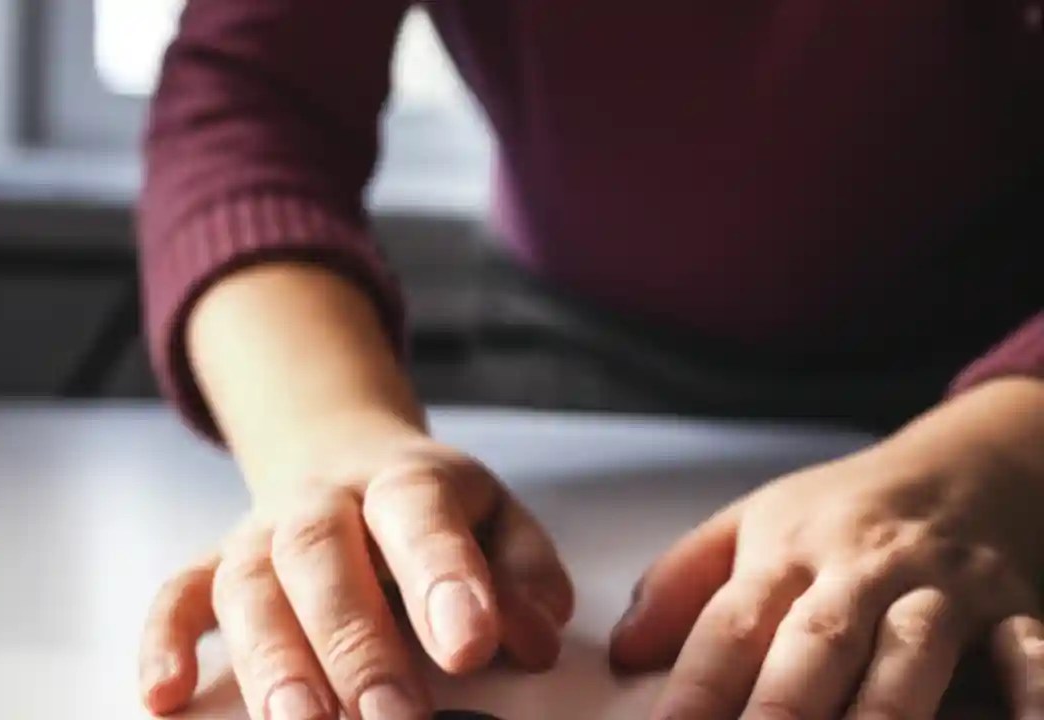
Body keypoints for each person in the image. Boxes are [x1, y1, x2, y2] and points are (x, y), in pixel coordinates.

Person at [133, 2, 1044, 718]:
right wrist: (329, 437)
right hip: (569, 355)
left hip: (1000, 381)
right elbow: (251, 100)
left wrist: (995, 461)